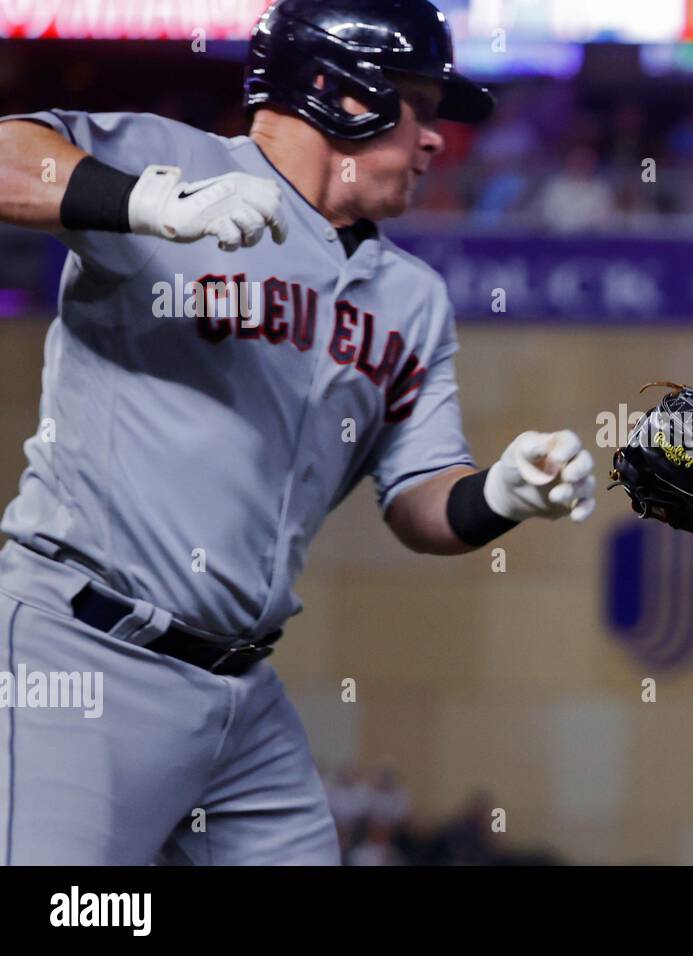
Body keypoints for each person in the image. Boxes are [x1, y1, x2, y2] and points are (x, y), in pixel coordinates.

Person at [0, 0, 595, 865]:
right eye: (419, 106)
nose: (435, 138)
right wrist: (145, 204)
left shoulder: (410, 296)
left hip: (241, 695)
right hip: (84, 649)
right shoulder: (178, 162)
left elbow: (420, 498)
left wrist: (499, 495)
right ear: (337, 91)